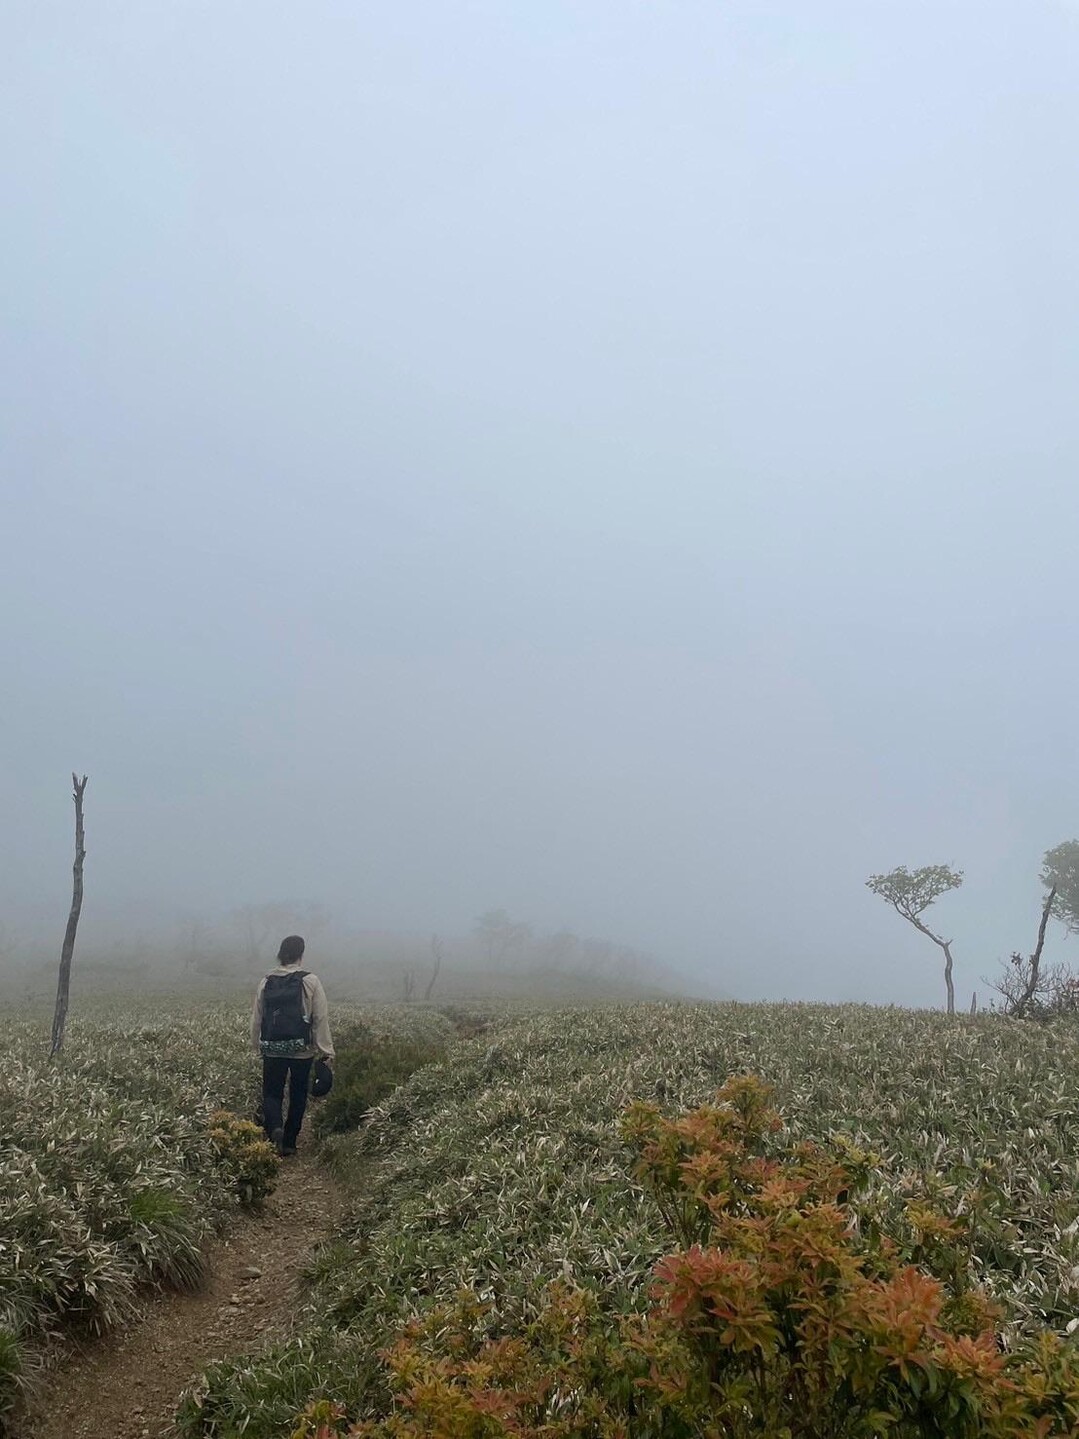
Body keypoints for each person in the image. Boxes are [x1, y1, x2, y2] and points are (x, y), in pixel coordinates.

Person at [250, 934, 334, 1156]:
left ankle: (274, 1127)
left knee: (271, 1092)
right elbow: (320, 1017)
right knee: (298, 1094)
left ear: (280, 954)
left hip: (272, 1047)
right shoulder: (311, 981)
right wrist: (325, 1051)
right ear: (301, 955)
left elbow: (257, 1017)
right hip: (301, 1049)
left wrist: (256, 1045)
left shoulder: (266, 981)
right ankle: (289, 1141)